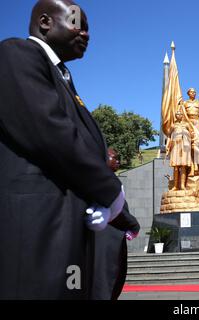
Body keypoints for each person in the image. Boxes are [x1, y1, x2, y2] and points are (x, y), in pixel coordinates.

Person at [0, 0, 126, 299]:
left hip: (70, 231)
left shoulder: (64, 79)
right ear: (45, 22)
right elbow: (52, 132)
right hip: (37, 232)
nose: (86, 34)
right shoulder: (17, 54)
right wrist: (112, 193)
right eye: (77, 23)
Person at [92, 148, 140, 300]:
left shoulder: (106, 179)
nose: (118, 160)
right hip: (105, 238)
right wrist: (133, 226)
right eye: (114, 157)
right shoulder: (103, 181)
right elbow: (115, 207)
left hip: (111, 237)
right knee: (106, 281)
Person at [166, 110, 192, 191]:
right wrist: (167, 146)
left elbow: (192, 134)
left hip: (184, 146)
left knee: (183, 166)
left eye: (180, 114)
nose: (179, 115)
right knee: (176, 167)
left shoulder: (186, 124)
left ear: (182, 115)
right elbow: (169, 136)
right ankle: (175, 186)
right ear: (175, 116)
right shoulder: (173, 125)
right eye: (177, 114)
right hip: (175, 146)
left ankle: (182, 185)